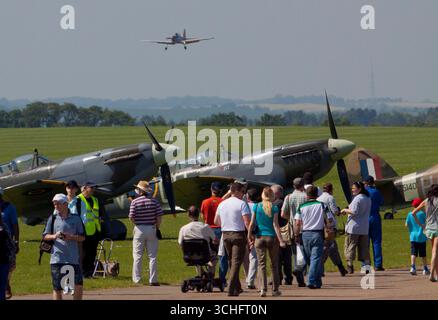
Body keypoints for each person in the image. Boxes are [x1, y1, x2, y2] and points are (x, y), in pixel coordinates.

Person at [42, 194, 85, 300]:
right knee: (57, 287)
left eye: (58, 204)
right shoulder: (52, 218)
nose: (56, 206)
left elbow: (82, 237)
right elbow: (45, 236)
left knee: (78, 285)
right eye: (54, 204)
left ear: (66, 204)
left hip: (73, 258)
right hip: (57, 258)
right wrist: (54, 236)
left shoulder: (76, 219)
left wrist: (71, 237)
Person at [214, 182, 251, 296]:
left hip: (226, 234)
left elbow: (216, 221)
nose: (243, 194)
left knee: (231, 261)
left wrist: (226, 223)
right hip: (238, 234)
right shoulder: (242, 204)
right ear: (237, 191)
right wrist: (250, 235)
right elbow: (247, 222)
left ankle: (237, 287)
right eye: (242, 192)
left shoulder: (222, 204)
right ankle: (231, 287)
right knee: (236, 262)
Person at [295, 186, 334, 289]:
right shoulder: (322, 205)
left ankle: (313, 281)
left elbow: (297, 223)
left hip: (305, 234)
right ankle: (314, 281)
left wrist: (296, 234)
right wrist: (329, 227)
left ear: (307, 195)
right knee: (314, 259)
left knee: (310, 259)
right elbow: (330, 218)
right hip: (317, 234)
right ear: (317, 194)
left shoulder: (301, 206)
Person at [248, 187, 285, 297]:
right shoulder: (274, 208)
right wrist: (281, 240)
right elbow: (275, 225)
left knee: (261, 264)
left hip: (259, 238)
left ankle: (263, 289)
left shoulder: (257, 206)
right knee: (274, 264)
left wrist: (249, 235)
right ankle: (275, 289)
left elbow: (252, 223)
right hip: (272, 238)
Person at [129, 180, 163, 285]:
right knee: (152, 256)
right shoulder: (154, 201)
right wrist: (157, 227)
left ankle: (137, 279)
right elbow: (159, 217)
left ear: (139, 190)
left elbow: (131, 217)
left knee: (137, 255)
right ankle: (153, 280)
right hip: (151, 228)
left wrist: (137, 223)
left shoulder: (134, 202)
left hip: (139, 228)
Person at [317, 183, 348, 276]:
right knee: (328, 248)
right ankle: (319, 268)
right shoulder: (330, 198)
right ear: (331, 190)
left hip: (321, 226)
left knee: (332, 247)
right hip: (330, 226)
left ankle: (341, 268)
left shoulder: (318, 198)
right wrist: (340, 211)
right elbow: (334, 211)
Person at [341, 182, 372, 274]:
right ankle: (367, 266)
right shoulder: (367, 198)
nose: (352, 189)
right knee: (364, 248)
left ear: (359, 189)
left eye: (354, 188)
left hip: (353, 227)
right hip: (364, 227)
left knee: (350, 246)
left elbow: (354, 211)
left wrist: (345, 210)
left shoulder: (357, 199)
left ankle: (350, 265)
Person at [281, 177, 307, 287]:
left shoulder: (288, 197)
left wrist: (290, 218)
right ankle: (299, 270)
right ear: (303, 185)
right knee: (305, 253)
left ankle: (300, 277)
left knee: (296, 253)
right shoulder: (306, 197)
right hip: (305, 227)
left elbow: (283, 214)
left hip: (292, 228)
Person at [178, 206, 218, 275]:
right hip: (205, 255)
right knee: (214, 256)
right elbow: (215, 240)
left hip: (190, 255)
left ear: (188, 215)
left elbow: (180, 243)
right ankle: (210, 273)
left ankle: (201, 273)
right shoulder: (205, 226)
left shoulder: (183, 229)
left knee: (195, 252)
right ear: (199, 214)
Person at [77, 182, 104, 278]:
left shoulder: (95, 200)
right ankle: (83, 273)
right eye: (91, 187)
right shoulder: (78, 200)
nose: (93, 189)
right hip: (83, 231)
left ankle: (90, 273)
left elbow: (100, 214)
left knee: (92, 253)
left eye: (94, 187)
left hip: (94, 231)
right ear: (84, 188)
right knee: (84, 253)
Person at [411, 184, 438, 282]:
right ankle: (431, 273)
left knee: (434, 251)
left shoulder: (426, 201)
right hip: (437, 228)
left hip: (429, 229)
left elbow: (413, 212)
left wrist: (421, 225)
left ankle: (436, 274)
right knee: (435, 251)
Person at [200, 182, 223, 278]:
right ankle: (215, 275)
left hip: (208, 229)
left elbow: (202, 216)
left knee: (209, 253)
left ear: (211, 189)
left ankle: (207, 274)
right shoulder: (222, 201)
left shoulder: (205, 202)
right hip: (219, 229)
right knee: (220, 255)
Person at [271, 184, 292, 285]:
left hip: (278, 232)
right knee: (286, 256)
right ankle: (288, 277)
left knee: (278, 257)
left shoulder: (277, 203)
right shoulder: (281, 202)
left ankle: (278, 277)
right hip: (284, 231)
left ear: (278, 193)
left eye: (272, 192)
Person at [0, 186, 19, 299]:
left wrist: (16, 241)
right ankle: (6, 286)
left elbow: (15, 226)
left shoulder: (9, 207)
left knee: (9, 266)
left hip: (7, 243)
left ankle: (6, 284)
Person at [364, 175, 385, 271]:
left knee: (365, 243)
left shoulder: (363, 192)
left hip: (365, 218)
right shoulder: (376, 192)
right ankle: (378, 264)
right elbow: (381, 202)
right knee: (376, 242)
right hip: (375, 216)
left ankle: (366, 265)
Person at [405, 198, 430, 276]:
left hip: (413, 237)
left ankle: (413, 267)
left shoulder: (410, 214)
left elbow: (406, 225)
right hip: (422, 237)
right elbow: (427, 223)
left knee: (413, 253)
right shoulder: (423, 214)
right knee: (423, 254)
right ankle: (425, 268)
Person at [0, 213, 15, 301]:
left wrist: (12, 261)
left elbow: (10, 245)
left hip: (3, 261)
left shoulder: (4, 227)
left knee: (2, 286)